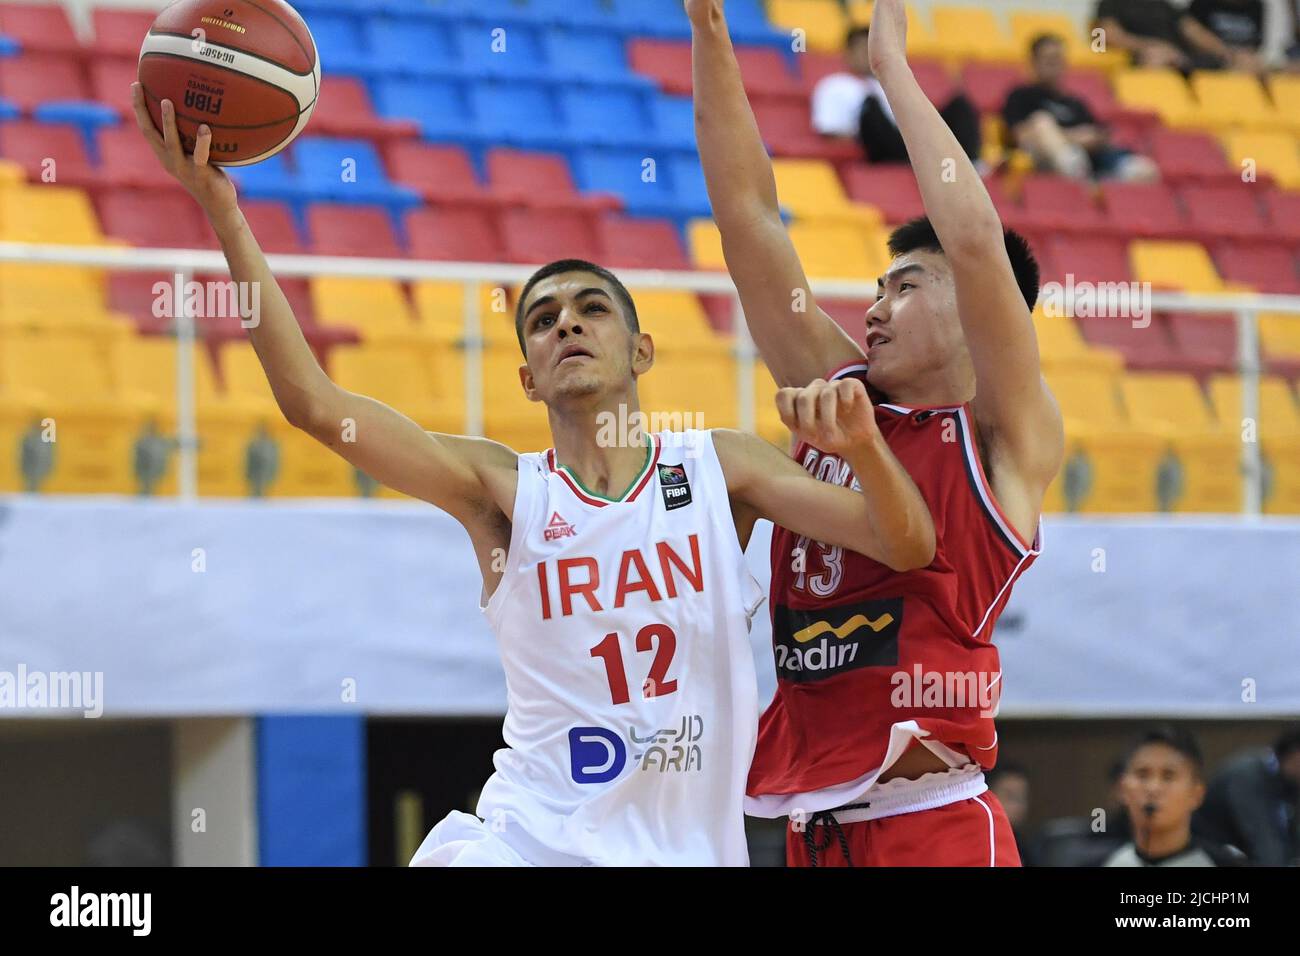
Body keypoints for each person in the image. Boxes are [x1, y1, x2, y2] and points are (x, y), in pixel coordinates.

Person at [130, 84, 938, 866]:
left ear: (641, 350)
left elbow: (904, 545)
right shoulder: (505, 492)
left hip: (681, 848)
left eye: (591, 309)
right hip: (525, 841)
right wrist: (223, 211)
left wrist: (865, 445)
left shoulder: (716, 468)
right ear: (527, 377)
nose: (567, 325)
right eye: (544, 321)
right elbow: (313, 403)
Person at [691, 0, 1064, 867]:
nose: (875, 306)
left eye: (905, 286)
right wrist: (710, 35)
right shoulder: (837, 387)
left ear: (973, 310)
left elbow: (975, 243)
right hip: (811, 830)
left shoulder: (1005, 436)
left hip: (932, 822)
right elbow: (748, 220)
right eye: (877, 287)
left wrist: (890, 65)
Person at [811, 25, 982, 165]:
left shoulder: (886, 85)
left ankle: (969, 163)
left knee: (960, 105)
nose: (868, 54)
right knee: (870, 104)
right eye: (862, 49)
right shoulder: (833, 85)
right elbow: (831, 131)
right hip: (876, 146)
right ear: (848, 53)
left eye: (872, 48)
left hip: (907, 137)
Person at [1004, 35, 1160, 183]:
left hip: (1093, 158)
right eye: (1049, 60)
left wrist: (1092, 139)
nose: (1055, 66)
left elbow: (1097, 133)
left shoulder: (1075, 102)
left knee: (1146, 170)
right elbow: (1021, 136)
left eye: (1059, 60)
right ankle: (1075, 169)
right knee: (1041, 122)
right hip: (1048, 158)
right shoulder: (1020, 95)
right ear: (1034, 62)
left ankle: (1102, 189)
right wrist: (1074, 138)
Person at [1103, 727, 1246, 867]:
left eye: (1168, 776)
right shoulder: (1102, 861)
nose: (1153, 788)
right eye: (1142, 775)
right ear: (1122, 789)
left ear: (1196, 794)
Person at [1194, 725, 1300, 865]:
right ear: (1294, 753)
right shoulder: (1247, 776)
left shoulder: (1289, 782)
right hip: (1205, 855)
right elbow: (1266, 847)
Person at [1094, 0, 1243, 71]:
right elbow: (1104, 35)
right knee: (1156, 58)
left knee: (1237, 65)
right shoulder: (1111, 3)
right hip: (1140, 58)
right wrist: (1150, 46)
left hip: (1180, 57)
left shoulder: (1164, 5)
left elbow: (1195, 32)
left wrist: (1229, 53)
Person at [1189, 0, 1270, 73]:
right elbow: (1195, 38)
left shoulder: (1255, 6)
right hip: (1211, 62)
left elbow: (1255, 43)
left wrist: (1245, 58)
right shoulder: (1202, 4)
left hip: (1245, 62)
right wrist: (1229, 56)